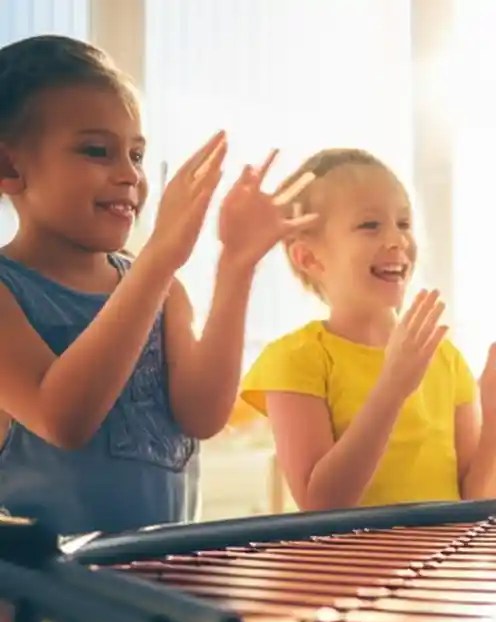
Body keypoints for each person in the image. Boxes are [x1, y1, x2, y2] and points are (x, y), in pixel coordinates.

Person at [0, 36, 305, 535]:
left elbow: (203, 415)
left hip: (159, 579)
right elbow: (64, 419)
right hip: (46, 599)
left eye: (137, 155)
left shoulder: (162, 289)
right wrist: (159, 259)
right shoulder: (9, 292)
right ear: (10, 168)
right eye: (97, 151)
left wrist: (237, 265)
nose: (129, 176)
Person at [239, 149, 496, 510]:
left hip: (443, 565)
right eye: (370, 225)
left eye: (404, 223)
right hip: (355, 567)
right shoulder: (293, 360)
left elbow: (477, 501)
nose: (397, 240)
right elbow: (321, 504)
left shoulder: (444, 357)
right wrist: (392, 387)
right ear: (309, 258)